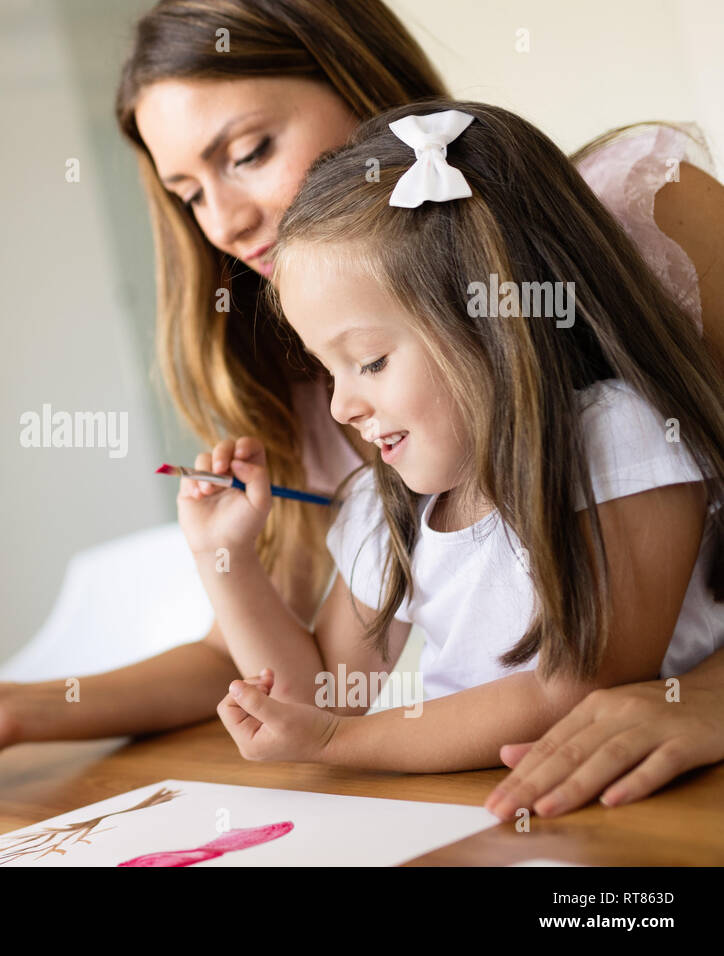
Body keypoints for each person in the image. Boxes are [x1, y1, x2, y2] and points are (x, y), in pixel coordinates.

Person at [0, 0, 724, 816]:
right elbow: (291, 682)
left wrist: (708, 703)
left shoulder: (635, 260)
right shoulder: (378, 452)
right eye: (186, 191)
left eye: (248, 151)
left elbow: (580, 681)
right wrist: (26, 703)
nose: (221, 223)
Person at [193, 101, 724, 794]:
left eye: (370, 362)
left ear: (498, 326)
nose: (341, 405)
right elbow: (325, 693)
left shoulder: (617, 442)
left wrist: (337, 741)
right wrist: (224, 559)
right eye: (329, 369)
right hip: (500, 810)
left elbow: (575, 689)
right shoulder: (385, 507)